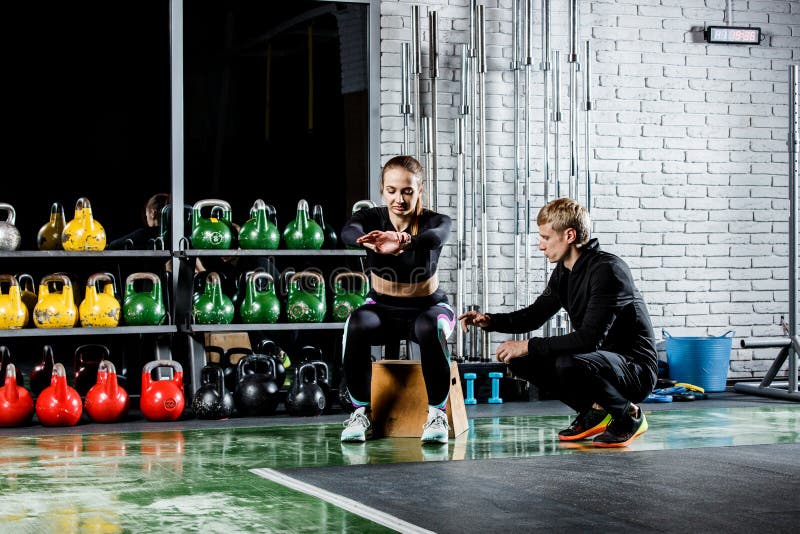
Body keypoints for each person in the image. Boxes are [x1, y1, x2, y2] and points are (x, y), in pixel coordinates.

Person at [459, 197, 658, 448]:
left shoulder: (608, 270)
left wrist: (528, 345)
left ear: (569, 235)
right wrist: (489, 321)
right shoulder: (565, 272)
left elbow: (589, 339)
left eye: (545, 237)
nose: (540, 245)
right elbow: (534, 315)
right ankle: (595, 411)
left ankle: (629, 415)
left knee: (567, 361)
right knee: (519, 361)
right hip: (599, 363)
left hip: (634, 369)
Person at [339, 155, 455, 444]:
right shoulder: (372, 218)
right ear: (382, 189)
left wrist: (405, 241)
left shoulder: (435, 220)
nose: (399, 199)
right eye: (391, 191)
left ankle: (437, 415)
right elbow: (348, 231)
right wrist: (367, 240)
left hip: (429, 309)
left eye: (407, 191)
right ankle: (359, 413)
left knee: (430, 327)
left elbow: (436, 237)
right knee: (356, 323)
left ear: (420, 189)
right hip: (382, 309)